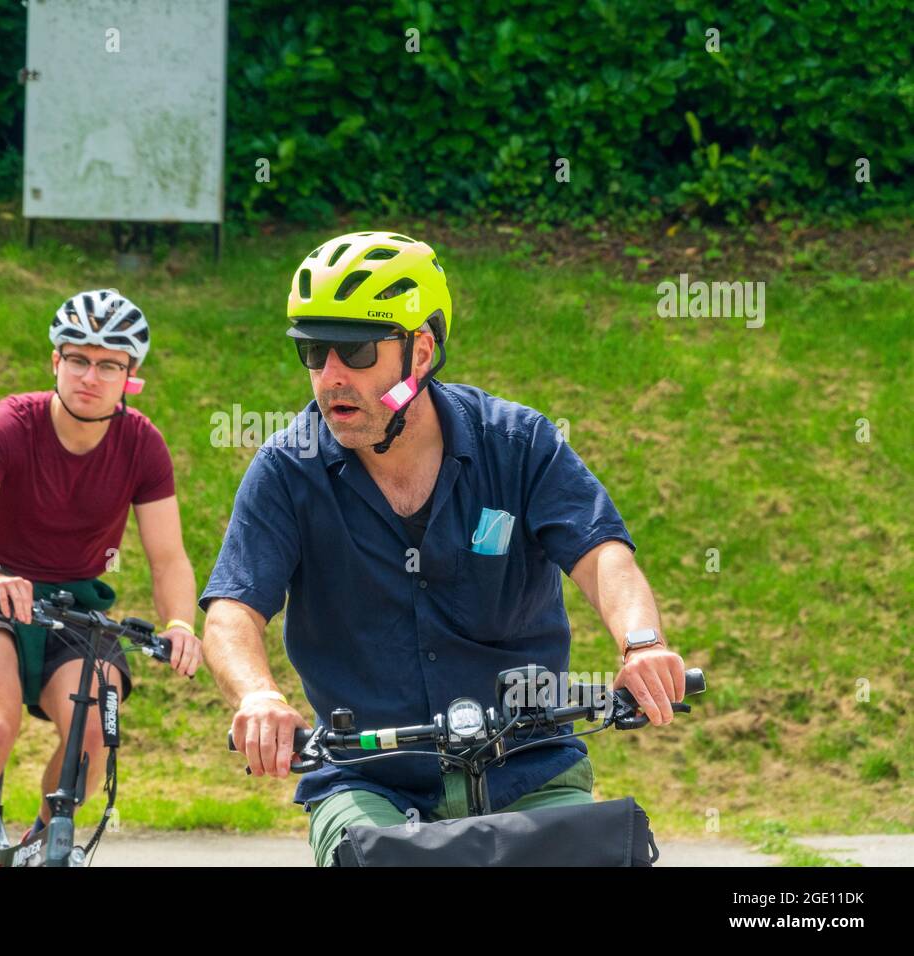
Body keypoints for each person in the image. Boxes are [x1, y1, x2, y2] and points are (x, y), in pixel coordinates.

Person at [199, 231, 687, 866]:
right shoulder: (288, 470)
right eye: (314, 352)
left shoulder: (517, 444)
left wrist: (641, 643)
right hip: (370, 781)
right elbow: (232, 609)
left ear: (419, 351)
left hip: (529, 769)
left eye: (354, 350)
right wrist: (257, 694)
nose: (330, 376)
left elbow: (601, 555)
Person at [0, 288, 202, 866]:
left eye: (109, 364)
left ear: (131, 376)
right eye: (78, 359)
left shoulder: (142, 444)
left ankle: (35, 850)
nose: (90, 376)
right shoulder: (10, 423)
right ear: (56, 362)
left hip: (74, 605)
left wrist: (180, 622)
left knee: (96, 733)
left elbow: (168, 557)